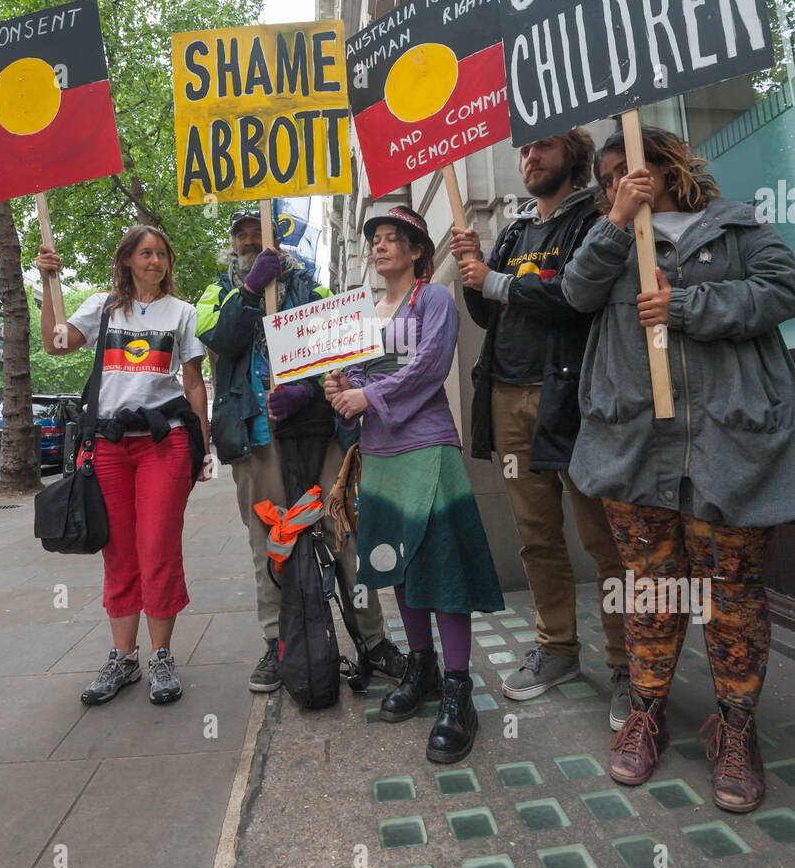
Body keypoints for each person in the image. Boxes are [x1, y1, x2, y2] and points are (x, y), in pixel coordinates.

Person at [562, 125, 795, 812]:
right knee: (652, 586)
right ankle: (645, 714)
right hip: (637, 445)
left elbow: (780, 289)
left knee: (730, 590)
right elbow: (576, 294)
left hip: (728, 446)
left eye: (624, 172)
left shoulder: (735, 226)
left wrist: (686, 306)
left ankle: (736, 729)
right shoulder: (606, 237)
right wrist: (612, 220)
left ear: (664, 165)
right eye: (603, 180)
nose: (614, 185)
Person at [450, 130, 630, 730]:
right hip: (508, 397)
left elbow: (573, 298)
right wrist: (474, 268)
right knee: (536, 537)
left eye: (542, 149)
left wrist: (497, 280)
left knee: (605, 541)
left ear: (570, 159)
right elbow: (488, 312)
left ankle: (630, 665)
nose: (530, 158)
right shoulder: (513, 233)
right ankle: (557, 650)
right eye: (524, 151)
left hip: (569, 401)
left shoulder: (591, 221)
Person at [196, 207, 405, 692]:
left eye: (260, 231)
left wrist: (307, 392)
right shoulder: (215, 292)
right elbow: (222, 340)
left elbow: (343, 357)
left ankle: (372, 641)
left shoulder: (315, 289)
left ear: (278, 240)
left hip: (319, 432)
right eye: (242, 233)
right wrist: (250, 292)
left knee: (344, 532)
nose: (251, 239)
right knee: (270, 541)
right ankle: (279, 643)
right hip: (256, 436)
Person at [325, 205, 503, 763]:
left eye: (391, 239)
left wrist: (367, 395)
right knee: (393, 565)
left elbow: (429, 367)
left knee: (440, 565)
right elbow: (350, 374)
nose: (379, 247)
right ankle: (419, 666)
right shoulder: (360, 314)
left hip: (427, 448)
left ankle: (458, 691)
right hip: (378, 454)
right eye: (375, 239)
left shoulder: (436, 300)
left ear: (417, 251)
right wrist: (339, 386)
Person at [36, 226, 210, 706]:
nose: (154, 261)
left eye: (160, 254)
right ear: (128, 259)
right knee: (118, 552)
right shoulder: (104, 305)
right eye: (145, 253)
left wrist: (204, 449)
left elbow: (193, 384)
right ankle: (122, 657)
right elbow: (55, 342)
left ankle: (161, 658)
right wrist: (46, 284)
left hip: (165, 443)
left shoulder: (183, 312)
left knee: (158, 547)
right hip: (109, 446)